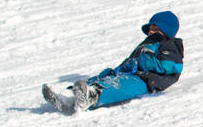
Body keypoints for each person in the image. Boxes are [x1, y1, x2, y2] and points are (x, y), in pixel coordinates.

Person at [42, 11, 184, 113]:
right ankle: (70, 98)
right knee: (107, 78)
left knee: (119, 86)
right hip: (132, 73)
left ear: (166, 30)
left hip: (147, 81)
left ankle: (91, 97)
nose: (151, 32)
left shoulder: (170, 45)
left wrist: (144, 60)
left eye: (155, 29)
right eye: (150, 29)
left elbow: (171, 66)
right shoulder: (147, 44)